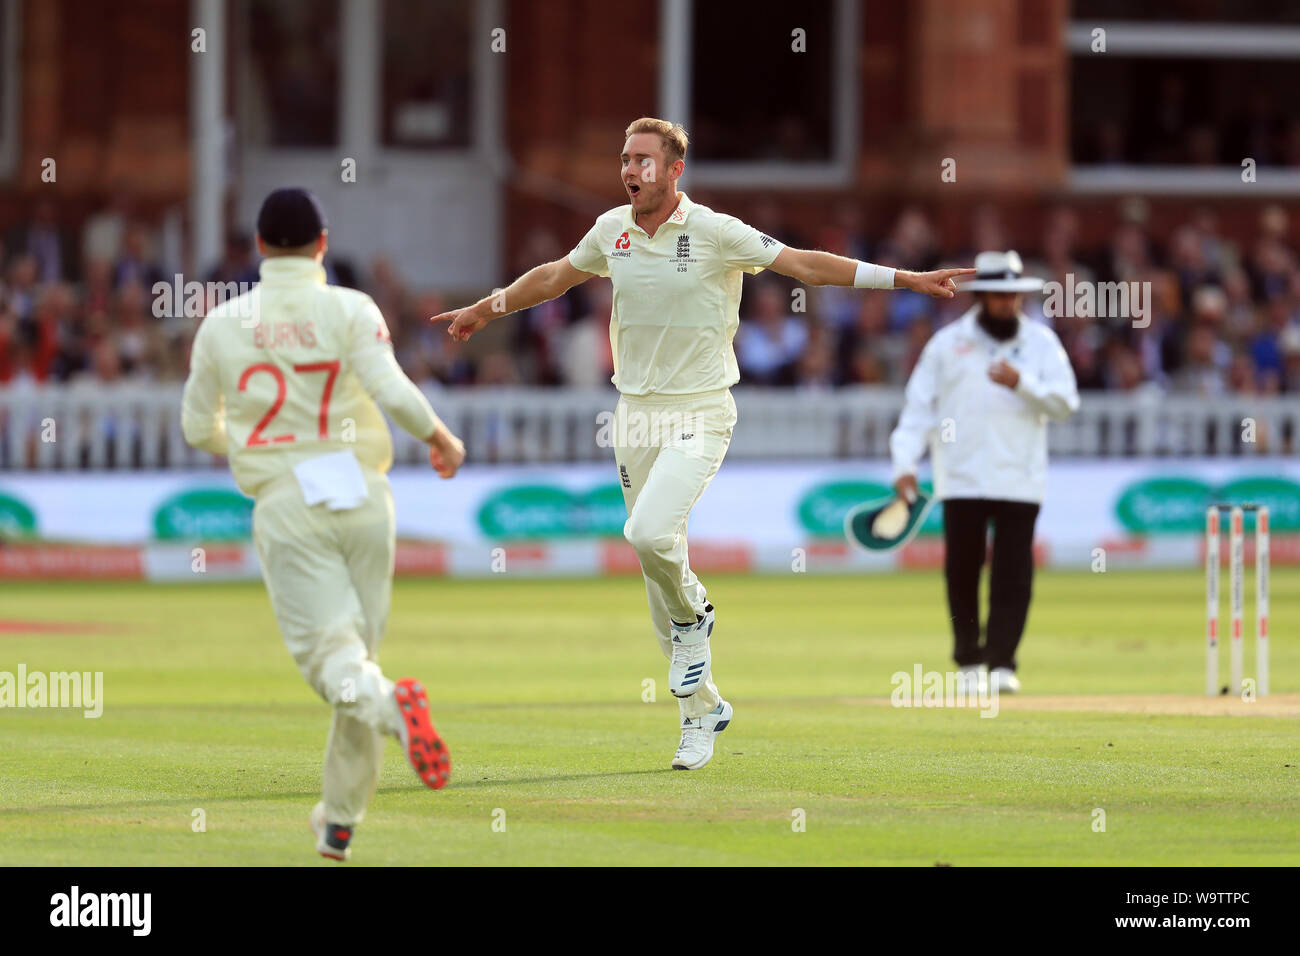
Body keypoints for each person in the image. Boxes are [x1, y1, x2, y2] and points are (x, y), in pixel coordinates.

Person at [434, 117, 971, 769]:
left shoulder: (716, 232)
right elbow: (552, 278)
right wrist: (485, 309)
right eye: (624, 159)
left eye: (643, 160)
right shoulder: (613, 230)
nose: (630, 171)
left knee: (648, 534)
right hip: (634, 416)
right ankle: (701, 712)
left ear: (674, 169)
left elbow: (805, 266)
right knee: (655, 573)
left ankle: (696, 616)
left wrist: (906, 279)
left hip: (701, 410)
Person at [181, 188, 465, 860]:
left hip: (288, 501)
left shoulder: (223, 323)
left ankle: (397, 710)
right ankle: (338, 822)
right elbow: (391, 388)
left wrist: (254, 440)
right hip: (363, 493)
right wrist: (440, 437)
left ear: (259, 246)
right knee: (353, 662)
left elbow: (196, 428)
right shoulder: (351, 307)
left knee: (332, 664)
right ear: (323, 244)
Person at [890, 250, 1079, 694]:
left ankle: (1003, 663)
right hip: (962, 476)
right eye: (997, 295)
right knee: (963, 571)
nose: (1006, 303)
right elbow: (917, 409)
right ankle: (970, 660)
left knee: (1014, 573)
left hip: (1020, 476)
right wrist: (904, 464)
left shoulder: (1041, 343)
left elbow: (1067, 404)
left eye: (1012, 295)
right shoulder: (947, 344)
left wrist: (1023, 384)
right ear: (981, 297)